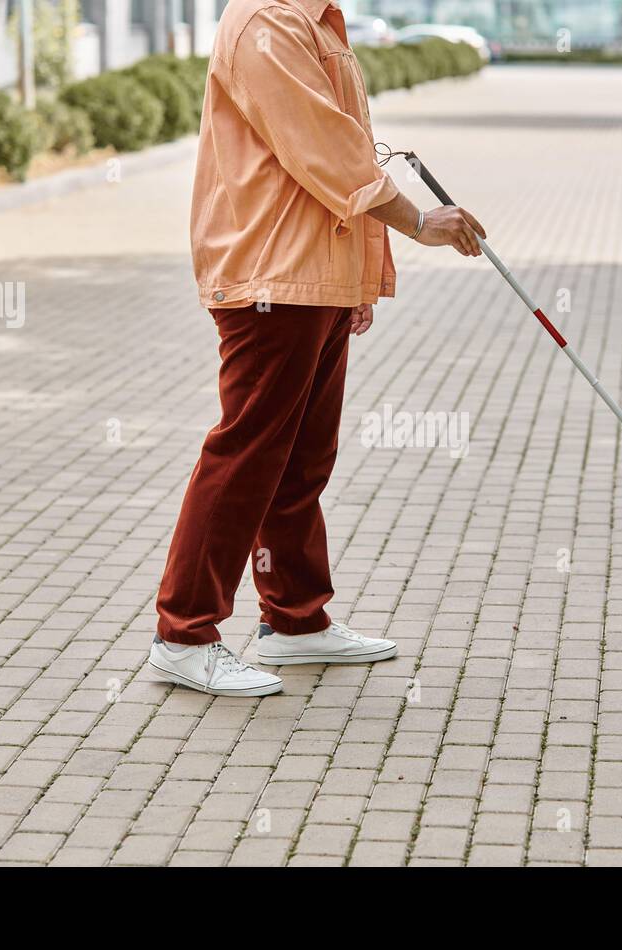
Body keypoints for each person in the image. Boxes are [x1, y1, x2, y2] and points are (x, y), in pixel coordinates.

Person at [150, 0, 487, 696]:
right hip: (272, 274)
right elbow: (326, 152)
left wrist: (356, 280)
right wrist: (420, 221)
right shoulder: (266, 22)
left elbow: (346, 149)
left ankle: (296, 621)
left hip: (313, 276)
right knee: (246, 453)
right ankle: (184, 633)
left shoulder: (317, 21)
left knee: (301, 460)